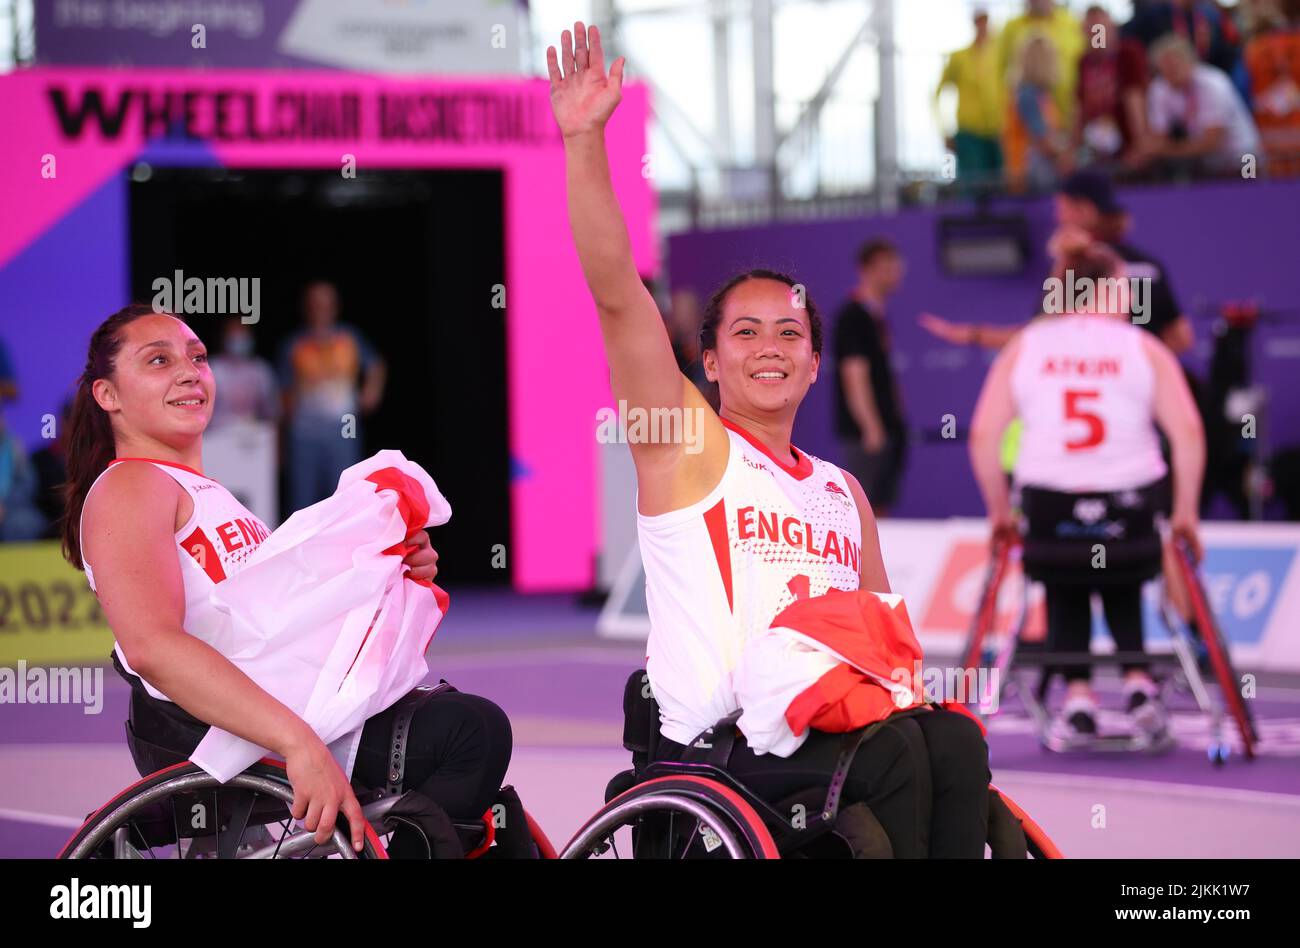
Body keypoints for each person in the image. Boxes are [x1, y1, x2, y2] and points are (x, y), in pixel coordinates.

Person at [549, 21, 990, 857]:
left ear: (815, 364)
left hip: (824, 725)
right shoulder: (688, 448)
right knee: (894, 754)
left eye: (789, 334)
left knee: (954, 739)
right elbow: (617, 295)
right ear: (709, 361)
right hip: (722, 753)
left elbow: (886, 644)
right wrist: (583, 142)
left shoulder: (841, 493)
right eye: (745, 333)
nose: (769, 348)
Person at [64, 304, 512, 856]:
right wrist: (296, 741)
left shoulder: (207, 494)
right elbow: (153, 647)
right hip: (221, 727)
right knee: (471, 733)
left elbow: (280, 616)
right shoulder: (129, 488)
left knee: (487, 785)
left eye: (197, 358)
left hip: (270, 707)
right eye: (158, 360)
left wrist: (390, 561)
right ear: (108, 396)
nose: (189, 371)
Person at [967, 240, 1205, 743]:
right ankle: (1138, 682)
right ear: (1109, 287)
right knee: (1120, 564)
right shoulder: (1143, 347)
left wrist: (997, 515)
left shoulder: (1026, 345)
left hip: (1051, 513)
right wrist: (1185, 514)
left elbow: (984, 436)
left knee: (1064, 571)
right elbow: (1188, 433)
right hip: (1132, 514)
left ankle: (1077, 697)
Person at [279, 281, 386, 512]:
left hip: (345, 427)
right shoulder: (295, 344)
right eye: (315, 304)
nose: (321, 310)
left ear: (335, 307)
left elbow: (376, 365)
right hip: (305, 432)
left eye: (326, 304)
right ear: (306, 308)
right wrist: (286, 430)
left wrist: (371, 392)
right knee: (303, 500)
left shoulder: (349, 339)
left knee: (345, 495)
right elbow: (285, 391)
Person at [834, 239, 910, 517]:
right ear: (867, 270)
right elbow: (854, 374)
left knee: (880, 507)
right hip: (866, 435)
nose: (895, 273)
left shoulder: (876, 317)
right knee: (862, 510)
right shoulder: (853, 316)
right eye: (887, 267)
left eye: (896, 267)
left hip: (887, 429)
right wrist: (871, 426)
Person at [1135, 33, 1261, 176]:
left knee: (1248, 195)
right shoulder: (1160, 87)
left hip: (1243, 158)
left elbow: (1212, 141)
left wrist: (1166, 151)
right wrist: (1146, 151)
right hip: (1208, 164)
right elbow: (1158, 136)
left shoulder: (1214, 83)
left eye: (1174, 66)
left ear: (1191, 62)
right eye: (1164, 69)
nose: (1169, 73)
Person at [935, 7, 1005, 193]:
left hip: (999, 133)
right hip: (969, 136)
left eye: (986, 20)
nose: (983, 25)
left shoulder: (1000, 55)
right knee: (971, 190)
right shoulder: (959, 58)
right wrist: (944, 131)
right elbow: (937, 95)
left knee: (1002, 189)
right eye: (979, 20)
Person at [1074, 5, 1151, 170]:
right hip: (1095, 147)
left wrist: (1140, 144)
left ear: (1112, 28)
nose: (1097, 36)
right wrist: (1072, 148)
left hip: (1127, 143)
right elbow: (1080, 107)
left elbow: (1134, 99)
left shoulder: (1127, 52)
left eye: (1101, 29)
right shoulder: (1084, 61)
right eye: (1092, 31)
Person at [1004, 35, 1072, 191]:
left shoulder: (1040, 94)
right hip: (1032, 174)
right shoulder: (1028, 95)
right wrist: (1066, 153)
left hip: (1035, 170)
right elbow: (1041, 139)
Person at [209, 319, 279, 430]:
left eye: (242, 333)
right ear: (224, 337)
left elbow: (271, 410)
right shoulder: (213, 368)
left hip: (252, 436)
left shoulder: (260, 369)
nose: (238, 338)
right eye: (233, 334)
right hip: (217, 435)